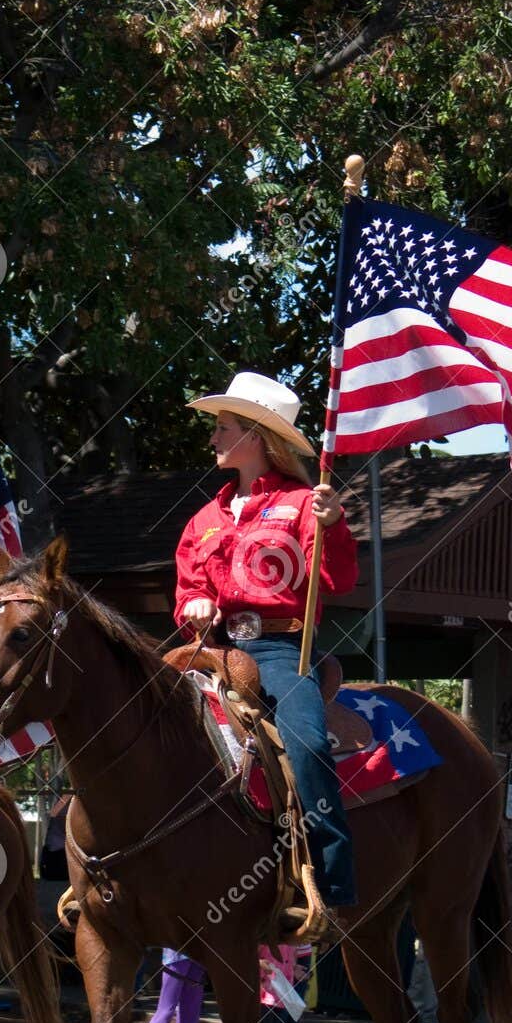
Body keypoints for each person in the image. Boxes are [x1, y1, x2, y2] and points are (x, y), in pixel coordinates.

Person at [174, 370, 359, 910]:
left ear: (255, 435)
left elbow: (336, 581)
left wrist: (336, 524)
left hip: (280, 649)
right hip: (211, 649)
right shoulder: (203, 519)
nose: (213, 438)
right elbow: (188, 589)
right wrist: (194, 606)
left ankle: (332, 880)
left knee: (308, 745)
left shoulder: (305, 504)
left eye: (223, 427)